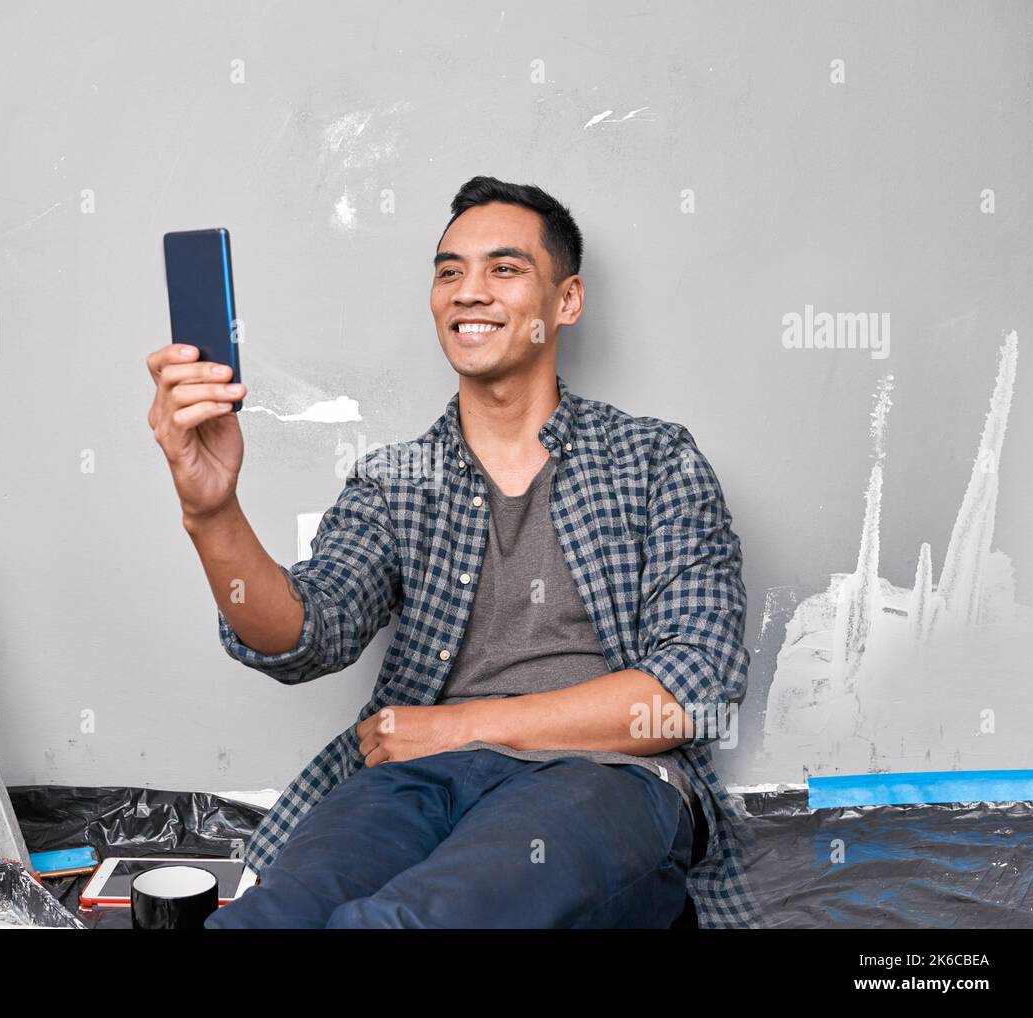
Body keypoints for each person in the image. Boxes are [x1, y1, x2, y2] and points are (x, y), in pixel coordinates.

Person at [146, 175, 766, 929]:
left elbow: (689, 690)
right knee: (271, 918)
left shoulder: (655, 460)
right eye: (449, 271)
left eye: (504, 269)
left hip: (599, 778)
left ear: (565, 301)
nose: (468, 291)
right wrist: (210, 510)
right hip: (415, 783)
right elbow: (302, 634)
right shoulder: (396, 478)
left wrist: (462, 724)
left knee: (411, 922)